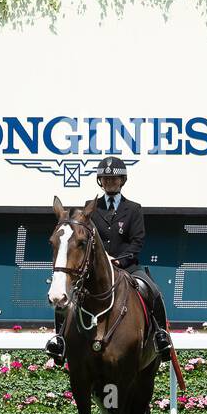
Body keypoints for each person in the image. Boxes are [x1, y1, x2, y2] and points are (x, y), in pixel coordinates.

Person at [44, 156, 174, 365]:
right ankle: (59, 339)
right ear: (100, 181)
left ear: (122, 181)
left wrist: (119, 260)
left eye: (114, 179)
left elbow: (137, 241)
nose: (109, 182)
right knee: (68, 294)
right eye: (105, 179)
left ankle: (160, 336)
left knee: (152, 289)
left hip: (128, 266)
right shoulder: (89, 208)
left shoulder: (133, 209)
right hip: (96, 271)